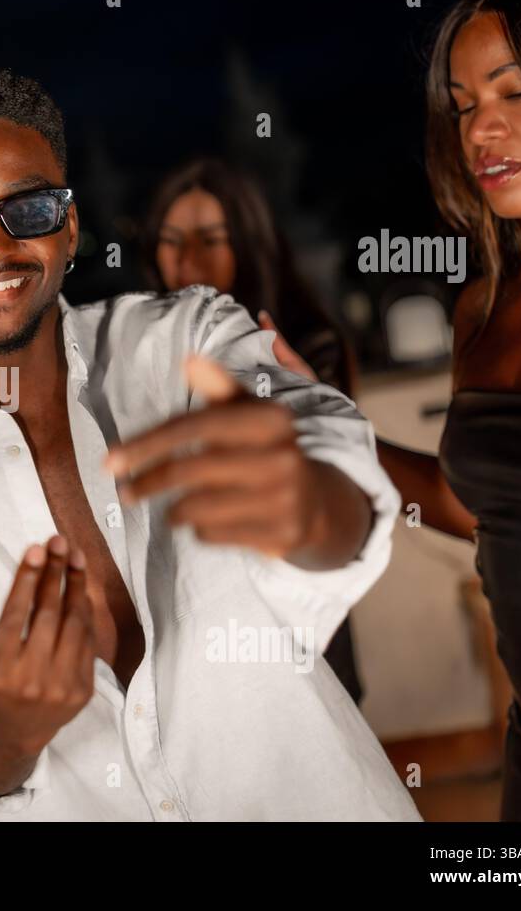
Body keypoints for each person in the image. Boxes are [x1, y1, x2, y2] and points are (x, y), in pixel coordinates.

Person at [0, 69, 419, 820]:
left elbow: (333, 463)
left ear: (68, 229)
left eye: (27, 209)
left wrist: (309, 501)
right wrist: (11, 727)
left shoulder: (184, 340)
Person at [266, 0, 521, 821]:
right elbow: (474, 512)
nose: (481, 131)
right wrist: (323, 424)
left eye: (513, 93)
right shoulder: (482, 310)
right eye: (464, 107)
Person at [140, 157, 364, 704]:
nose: (187, 258)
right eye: (171, 240)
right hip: (194, 638)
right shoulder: (142, 352)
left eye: (209, 238)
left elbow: (341, 481)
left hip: (296, 624)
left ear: (249, 242)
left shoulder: (304, 346)